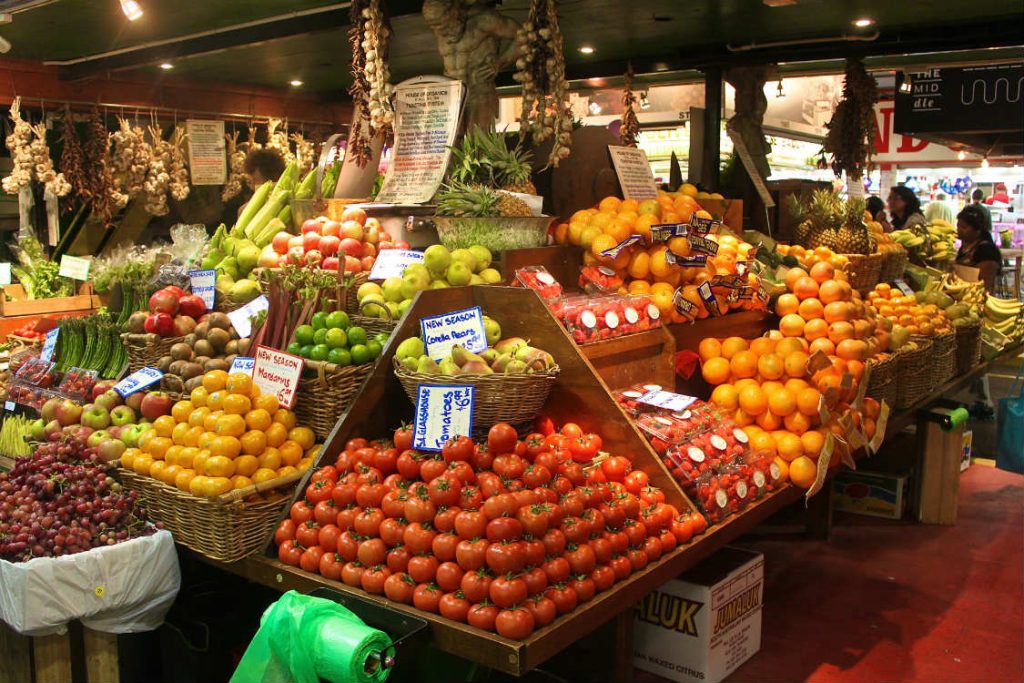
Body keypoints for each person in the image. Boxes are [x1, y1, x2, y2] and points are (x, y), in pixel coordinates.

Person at [955, 203, 1001, 292]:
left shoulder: (987, 251)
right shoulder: (966, 245)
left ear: (978, 230)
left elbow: (985, 284)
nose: (959, 230)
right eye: (958, 226)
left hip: (975, 297)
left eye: (964, 227)